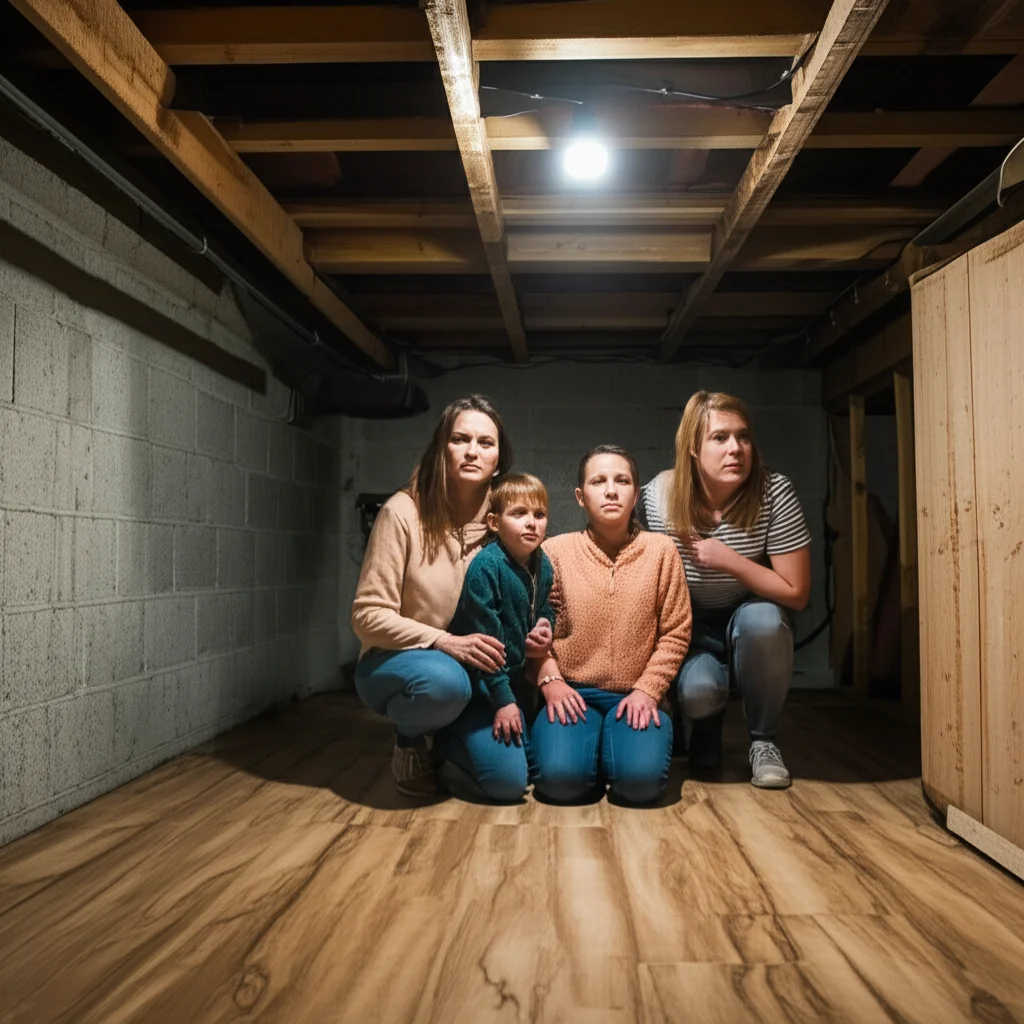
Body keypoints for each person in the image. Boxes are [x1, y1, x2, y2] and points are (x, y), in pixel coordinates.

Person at [640, 390, 811, 789]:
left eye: (744, 436)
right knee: (699, 695)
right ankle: (701, 722)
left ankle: (763, 741)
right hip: (688, 625)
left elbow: (796, 592)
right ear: (693, 448)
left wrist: (728, 558)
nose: (736, 448)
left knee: (765, 621)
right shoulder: (657, 498)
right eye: (720, 438)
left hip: (746, 615)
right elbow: (643, 590)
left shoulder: (773, 492)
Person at [351, 395, 512, 796]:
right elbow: (367, 615)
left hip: (475, 669)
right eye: (460, 439)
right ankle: (410, 739)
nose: (473, 450)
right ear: (442, 448)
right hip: (401, 664)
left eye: (485, 443)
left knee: (508, 781)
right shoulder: (402, 513)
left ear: (499, 459)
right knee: (445, 685)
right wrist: (443, 641)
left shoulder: (505, 518)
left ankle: (445, 738)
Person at [530, 445, 692, 805]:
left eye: (622, 481)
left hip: (635, 695)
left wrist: (649, 690)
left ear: (636, 494)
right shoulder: (554, 553)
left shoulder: (661, 551)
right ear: (580, 496)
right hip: (571, 694)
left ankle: (613, 750)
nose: (611, 490)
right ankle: (591, 750)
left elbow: (676, 631)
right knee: (560, 783)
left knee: (640, 787)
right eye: (598, 481)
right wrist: (550, 678)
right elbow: (535, 627)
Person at [435, 473, 555, 802]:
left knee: (537, 770)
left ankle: (491, 745)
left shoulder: (542, 564)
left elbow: (546, 605)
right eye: (519, 514)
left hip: (513, 684)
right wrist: (504, 702)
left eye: (539, 515)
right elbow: (486, 645)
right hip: (480, 686)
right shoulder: (486, 568)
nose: (531, 523)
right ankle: (445, 744)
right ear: (494, 522)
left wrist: (546, 622)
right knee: (510, 785)